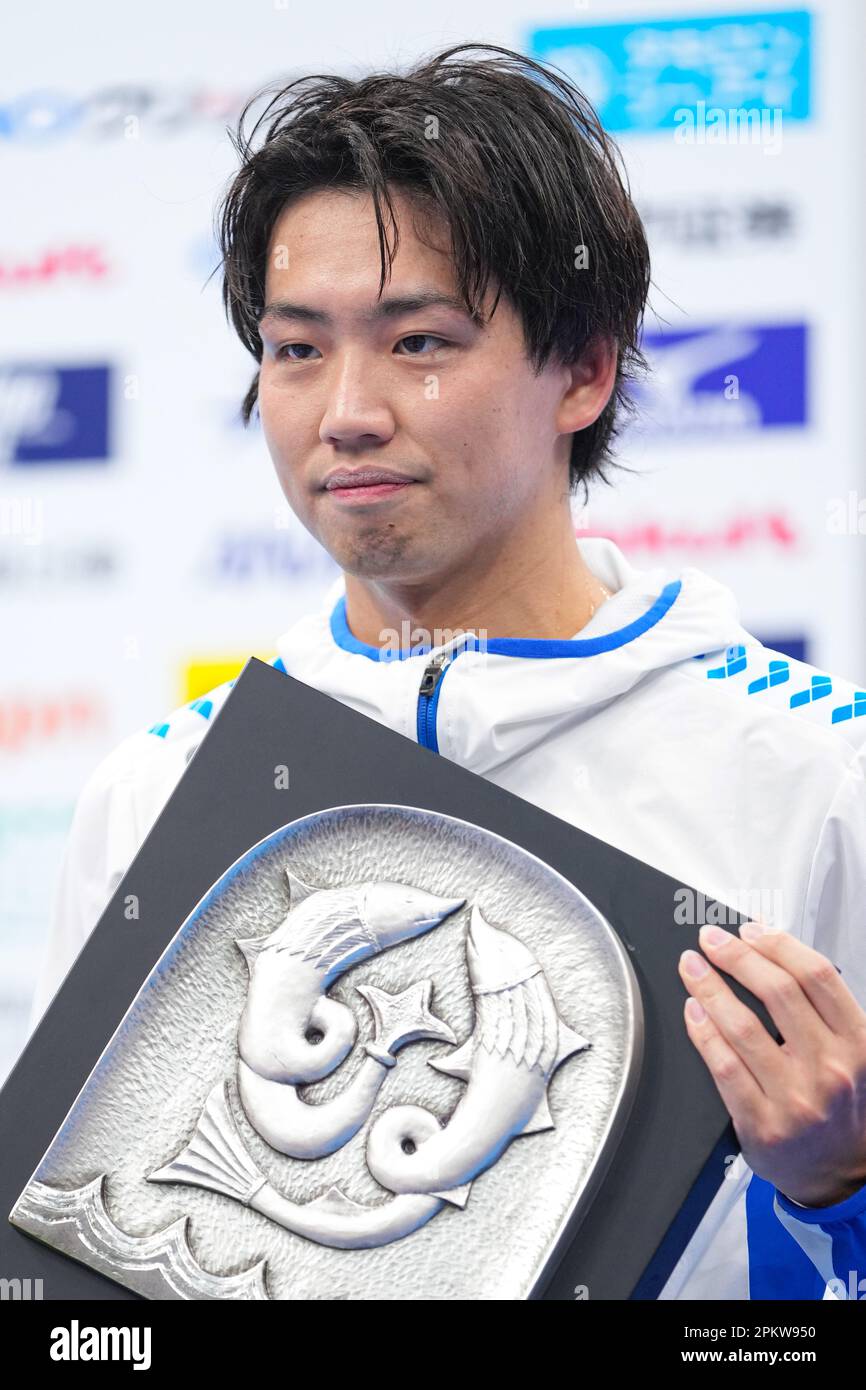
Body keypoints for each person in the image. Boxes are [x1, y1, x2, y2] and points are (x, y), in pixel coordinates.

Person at [29, 42, 866, 1300]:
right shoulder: (155, 793)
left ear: (582, 370)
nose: (345, 410)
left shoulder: (818, 769)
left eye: (418, 340)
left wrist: (840, 1187)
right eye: (296, 348)